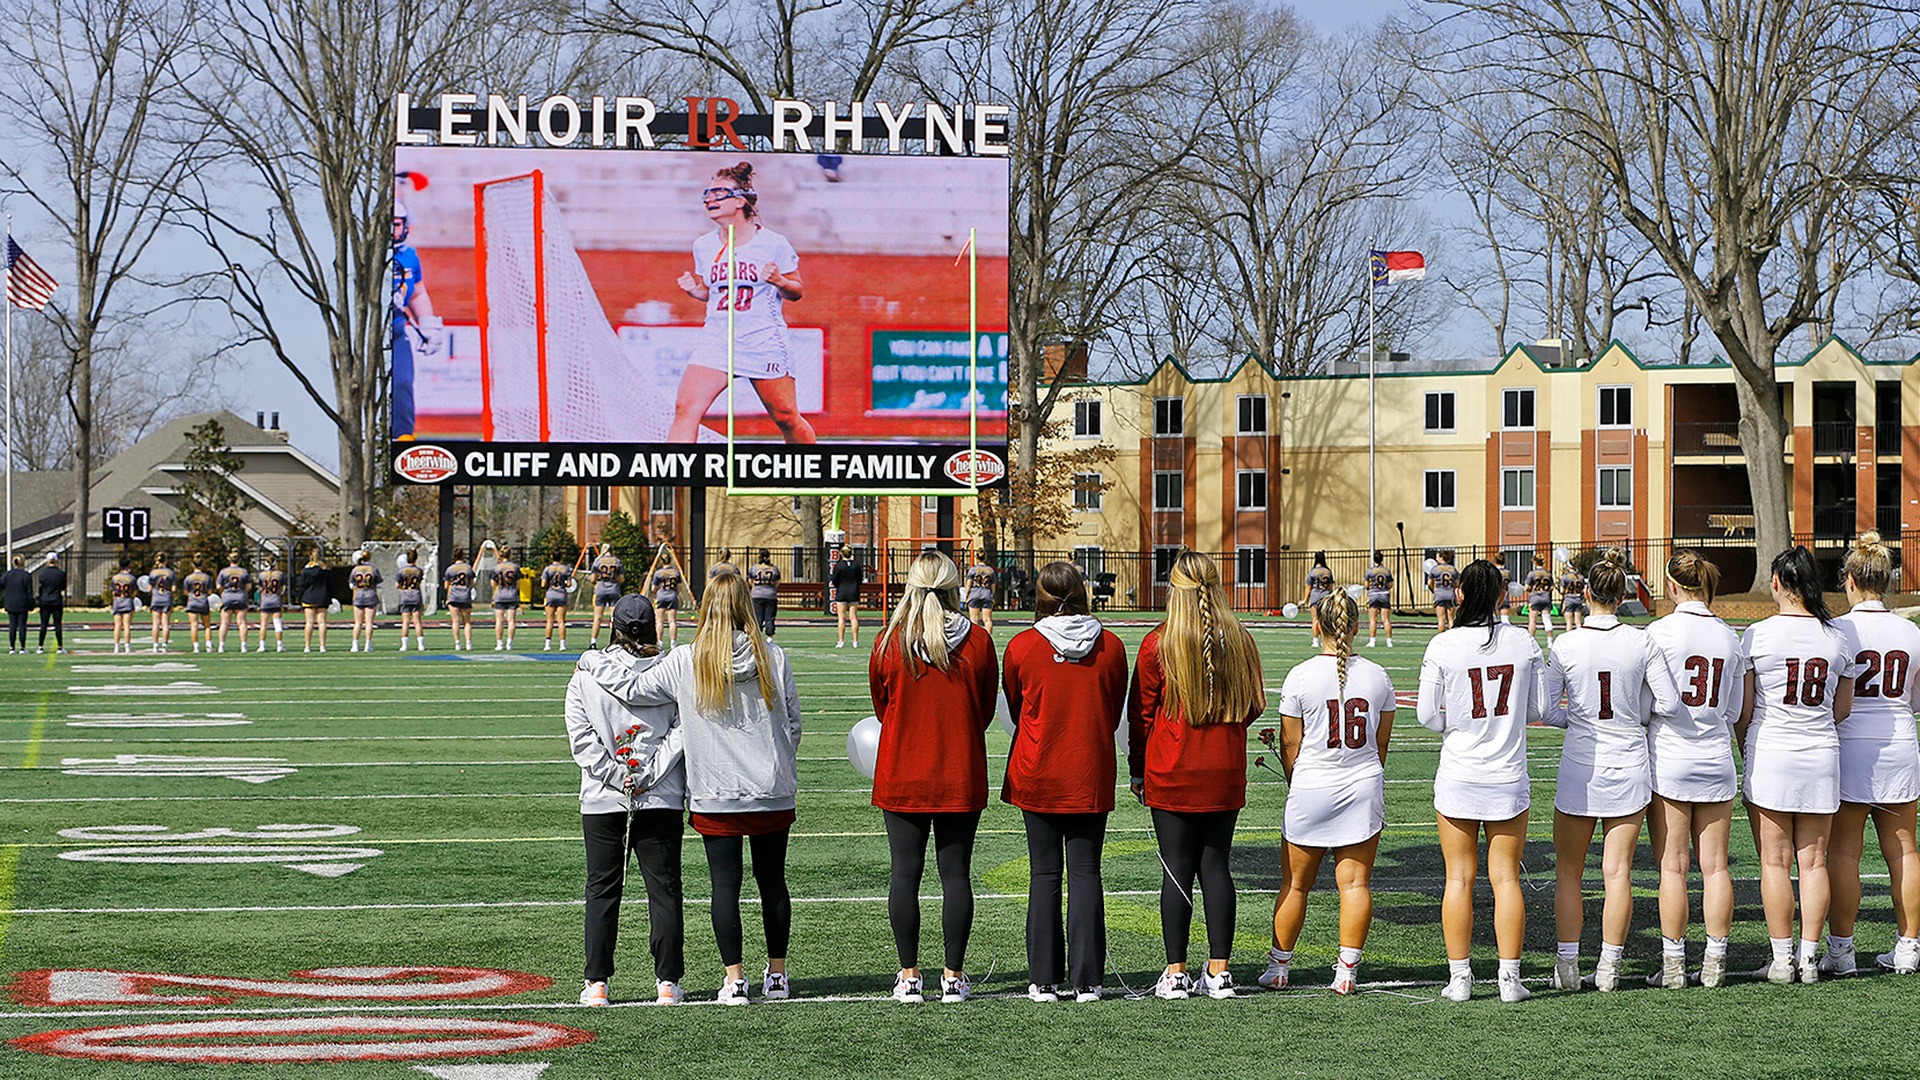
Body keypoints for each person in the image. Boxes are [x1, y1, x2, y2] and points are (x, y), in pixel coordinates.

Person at [576, 570, 802, 1005]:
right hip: (771, 786)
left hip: (715, 789)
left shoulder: (687, 659)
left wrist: (592, 661)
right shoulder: (774, 656)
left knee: (725, 886)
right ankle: (777, 975)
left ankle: (734, 980)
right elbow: (793, 722)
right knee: (773, 882)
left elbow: (634, 687)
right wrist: (776, 760)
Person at [1542, 549, 1682, 993]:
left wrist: (1578, 720)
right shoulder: (1641, 641)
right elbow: (1670, 703)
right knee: (1616, 872)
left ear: (1586, 595)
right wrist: (1634, 715)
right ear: (1622, 596)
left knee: (1569, 871)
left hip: (1581, 766)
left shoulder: (1566, 643)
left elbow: (1546, 711)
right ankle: (1608, 967)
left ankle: (1567, 967)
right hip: (1628, 763)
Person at [1128, 550, 1263, 1001]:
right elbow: (1255, 704)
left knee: (1177, 870)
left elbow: (1141, 715)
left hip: (1172, 768)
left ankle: (1176, 972)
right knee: (1216, 866)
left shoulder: (1158, 643)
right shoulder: (1240, 638)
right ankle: (1220, 970)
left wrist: (1136, 770)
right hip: (1224, 768)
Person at [868, 551, 998, 1004]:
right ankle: (953, 976)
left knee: (904, 874)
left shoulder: (889, 641)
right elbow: (982, 710)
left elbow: (883, 709)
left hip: (903, 772)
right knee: (955, 875)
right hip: (959, 772)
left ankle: (908, 975)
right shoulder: (978, 642)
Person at [1418, 558, 1547, 1003]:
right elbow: (1538, 711)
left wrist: (1459, 724)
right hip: (1507, 775)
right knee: (1506, 878)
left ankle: (1460, 978)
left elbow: (1426, 716)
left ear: (1459, 595)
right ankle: (1509, 979)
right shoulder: (1523, 642)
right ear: (1500, 597)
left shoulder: (1443, 645)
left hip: (1459, 773)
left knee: (1459, 879)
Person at [1002, 561, 1129, 1003]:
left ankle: (1042, 979)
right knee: (1086, 873)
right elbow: (1113, 711)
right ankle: (1089, 980)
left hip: (1038, 768)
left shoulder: (1021, 645)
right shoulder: (1110, 646)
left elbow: (1018, 709)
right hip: (1088, 769)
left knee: (1044, 875)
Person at [1739, 545, 1860, 984]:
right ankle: (1810, 958)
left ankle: (1781, 960)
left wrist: (1745, 747)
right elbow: (1841, 709)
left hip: (1771, 751)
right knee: (1813, 862)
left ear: (1776, 583)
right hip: (1819, 753)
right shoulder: (1836, 637)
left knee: (1774, 863)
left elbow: (1746, 707)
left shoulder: (1758, 634)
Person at [1264, 591, 1394, 995]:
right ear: (1356, 627)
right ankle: (1346, 973)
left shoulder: (1300, 675)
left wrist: (1297, 780)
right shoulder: (1378, 676)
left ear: (1316, 626)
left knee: (1295, 885)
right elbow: (1381, 745)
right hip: (1361, 785)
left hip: (1311, 786)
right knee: (1355, 885)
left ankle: (1279, 968)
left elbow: (1290, 745)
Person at [566, 593, 686, 1007]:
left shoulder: (586, 672)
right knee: (664, 889)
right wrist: (648, 773)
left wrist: (617, 776)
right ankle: (667, 982)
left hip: (603, 794)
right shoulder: (671, 672)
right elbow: (682, 729)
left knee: (601, 888)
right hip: (660, 791)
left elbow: (582, 740)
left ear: (613, 628)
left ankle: (597, 982)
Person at [1644, 549, 1744, 988]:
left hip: (1670, 756)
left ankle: (1673, 964)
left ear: (1671, 586)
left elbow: (1647, 706)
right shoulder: (1729, 636)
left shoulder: (1658, 633)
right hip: (1715, 757)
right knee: (1716, 867)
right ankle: (1715, 961)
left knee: (1672, 867)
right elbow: (1737, 708)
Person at [1824, 532, 1920, 977]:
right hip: (1899, 742)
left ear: (1849, 580)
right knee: (1903, 850)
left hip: (1849, 746)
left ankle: (1842, 950)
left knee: (1843, 853)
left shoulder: (1838, 630)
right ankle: (1908, 947)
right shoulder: (1910, 632)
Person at [668, 162, 817, 445]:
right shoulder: (704, 245)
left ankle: (813, 481)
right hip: (718, 340)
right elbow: (716, 294)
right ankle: (677, 485)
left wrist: (779, 281)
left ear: (740, 200)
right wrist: (695, 291)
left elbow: (796, 291)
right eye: (707, 194)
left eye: (718, 193)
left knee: (786, 416)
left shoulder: (773, 243)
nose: (709, 199)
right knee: (685, 409)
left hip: (761, 340)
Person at [389, 179, 443, 442]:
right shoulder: (372, 252)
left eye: (397, 223)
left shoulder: (409, 256)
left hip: (398, 330)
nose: (392, 229)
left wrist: (428, 323)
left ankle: (403, 440)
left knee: (402, 384)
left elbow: (417, 290)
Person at [216, 549, 252, 654]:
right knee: (242, 623)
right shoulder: (244, 572)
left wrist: (225, 591)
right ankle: (244, 646)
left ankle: (221, 646)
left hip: (227, 597)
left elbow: (218, 586)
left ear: (229, 559)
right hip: (240, 596)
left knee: (225, 623)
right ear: (239, 560)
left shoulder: (224, 571)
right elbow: (249, 586)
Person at [587, 546, 623, 648]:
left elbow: (593, 578)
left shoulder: (598, 561)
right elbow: (621, 578)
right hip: (614, 589)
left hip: (601, 589)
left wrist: (597, 583)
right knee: (614, 618)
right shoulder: (617, 561)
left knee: (597, 618)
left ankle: (593, 642)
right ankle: (615, 641)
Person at [648, 549, 684, 649]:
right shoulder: (675, 572)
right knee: (672, 621)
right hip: (672, 595)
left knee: (659, 621)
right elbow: (680, 587)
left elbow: (653, 588)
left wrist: (657, 592)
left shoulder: (658, 573)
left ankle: (659, 642)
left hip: (661, 596)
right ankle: (673, 642)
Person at [348, 550, 382, 653]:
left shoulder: (355, 570)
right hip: (371, 594)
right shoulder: (373, 569)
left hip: (358, 595)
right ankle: (368, 645)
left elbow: (351, 585)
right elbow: (380, 584)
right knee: (369, 623)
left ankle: (355, 645)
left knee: (358, 623)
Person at [298, 548, 331, 653]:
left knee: (309, 623)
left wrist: (300, 596)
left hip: (309, 597)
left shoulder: (306, 571)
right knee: (322, 622)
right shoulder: (326, 571)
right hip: (322, 597)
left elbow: (302, 585)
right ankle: (322, 646)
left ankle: (307, 646)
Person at [541, 550, 574, 652]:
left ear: (552, 557)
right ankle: (562, 644)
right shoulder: (566, 569)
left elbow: (543, 584)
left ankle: (548, 644)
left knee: (549, 620)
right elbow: (569, 584)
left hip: (551, 594)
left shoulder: (547, 569)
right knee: (561, 621)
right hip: (561, 594)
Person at [831, 548, 864, 649]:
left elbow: (834, 580)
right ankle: (855, 641)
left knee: (841, 618)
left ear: (841, 554)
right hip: (853, 592)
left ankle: (841, 641)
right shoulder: (856, 565)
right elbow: (860, 579)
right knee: (853, 617)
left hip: (842, 593)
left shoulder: (839, 565)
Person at [395, 550, 427, 651]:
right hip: (416, 595)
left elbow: (397, 585)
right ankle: (420, 645)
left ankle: (404, 645)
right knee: (417, 622)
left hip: (405, 595)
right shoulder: (419, 570)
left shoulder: (401, 571)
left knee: (405, 622)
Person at [444, 549, 475, 651]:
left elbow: (446, 586)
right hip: (465, 596)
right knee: (467, 622)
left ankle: (457, 644)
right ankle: (468, 643)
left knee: (455, 621)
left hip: (454, 597)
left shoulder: (450, 569)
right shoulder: (468, 568)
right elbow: (471, 583)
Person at [34, 554, 65, 655]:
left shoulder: (43, 573)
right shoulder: (61, 573)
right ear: (56, 561)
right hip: (56, 600)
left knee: (43, 624)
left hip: (45, 600)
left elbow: (41, 587)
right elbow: (63, 586)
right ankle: (60, 647)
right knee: (57, 624)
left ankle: (40, 646)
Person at [492, 547, 522, 651]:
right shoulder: (515, 567)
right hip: (511, 594)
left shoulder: (496, 567)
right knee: (511, 620)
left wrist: (495, 594)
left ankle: (499, 643)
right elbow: (518, 583)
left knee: (499, 621)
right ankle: (509, 643)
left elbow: (493, 583)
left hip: (500, 594)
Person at [1, 556, 32, 655]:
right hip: (22, 603)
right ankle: (22, 647)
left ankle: (12, 647)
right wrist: (31, 604)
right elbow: (29, 592)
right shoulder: (26, 575)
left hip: (10, 603)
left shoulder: (8, 575)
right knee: (22, 626)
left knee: (12, 626)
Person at [182, 559, 213, 653]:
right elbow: (210, 591)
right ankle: (209, 645)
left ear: (192, 564)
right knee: (207, 625)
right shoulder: (207, 577)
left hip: (192, 601)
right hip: (203, 601)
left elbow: (185, 592)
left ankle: (196, 647)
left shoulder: (188, 578)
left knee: (194, 625)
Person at [1363, 551, 1393, 649]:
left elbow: (1366, 585)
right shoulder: (1387, 571)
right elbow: (1390, 584)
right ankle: (1389, 641)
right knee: (1386, 619)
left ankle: (1372, 641)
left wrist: (1370, 589)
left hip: (1373, 594)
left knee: (1373, 619)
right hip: (1384, 594)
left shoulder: (1369, 571)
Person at [256, 558, 287, 653]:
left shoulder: (261, 575)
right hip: (276, 600)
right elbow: (282, 588)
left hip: (265, 600)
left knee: (263, 625)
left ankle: (262, 646)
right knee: (278, 624)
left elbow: (260, 588)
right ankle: (279, 645)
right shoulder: (280, 574)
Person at [1304, 551, 1334, 648]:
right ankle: (1324, 640)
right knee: (1325, 620)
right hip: (1326, 597)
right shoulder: (1328, 571)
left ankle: (1315, 640)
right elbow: (1331, 587)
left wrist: (1305, 600)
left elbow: (1308, 588)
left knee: (1315, 620)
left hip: (1315, 597)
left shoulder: (1312, 572)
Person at [109, 556, 137, 654]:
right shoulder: (131, 578)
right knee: (127, 625)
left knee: (117, 625)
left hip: (117, 601)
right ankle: (127, 646)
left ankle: (116, 646)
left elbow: (113, 591)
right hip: (127, 600)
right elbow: (134, 592)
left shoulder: (115, 578)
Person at [148, 554, 175, 653]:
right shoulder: (170, 573)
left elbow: (149, 589)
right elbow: (174, 588)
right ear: (165, 561)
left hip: (156, 598)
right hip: (166, 598)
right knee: (165, 624)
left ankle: (155, 645)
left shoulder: (153, 573)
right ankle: (165, 645)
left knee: (155, 623)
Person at [1525, 555, 1556, 640]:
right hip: (1545, 598)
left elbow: (1527, 587)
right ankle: (1550, 641)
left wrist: (1530, 589)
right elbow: (1552, 587)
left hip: (1534, 598)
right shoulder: (1548, 573)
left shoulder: (1532, 573)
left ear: (1535, 562)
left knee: (1532, 620)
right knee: (1547, 619)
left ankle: (1531, 639)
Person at [1427, 551, 1458, 633]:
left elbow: (1429, 583)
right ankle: (1452, 637)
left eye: (1437, 557)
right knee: (1451, 619)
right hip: (1450, 595)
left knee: (1441, 619)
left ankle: (1441, 638)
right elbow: (1457, 584)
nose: (1436, 559)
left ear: (1441, 557)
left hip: (1439, 595)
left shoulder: (1435, 569)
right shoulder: (1453, 569)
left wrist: (1433, 590)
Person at [964, 561, 995, 633]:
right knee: (987, 619)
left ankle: (976, 638)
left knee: (974, 619)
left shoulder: (972, 570)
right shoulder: (990, 570)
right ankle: (988, 637)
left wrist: (967, 595)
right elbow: (993, 586)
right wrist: (992, 595)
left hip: (974, 594)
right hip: (986, 594)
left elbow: (968, 584)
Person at [1559, 560, 1588, 631]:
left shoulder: (1565, 577)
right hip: (1578, 599)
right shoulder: (1580, 577)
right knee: (1578, 622)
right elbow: (1584, 589)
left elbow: (1561, 590)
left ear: (1569, 567)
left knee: (1569, 623)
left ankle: (1569, 638)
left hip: (1569, 599)